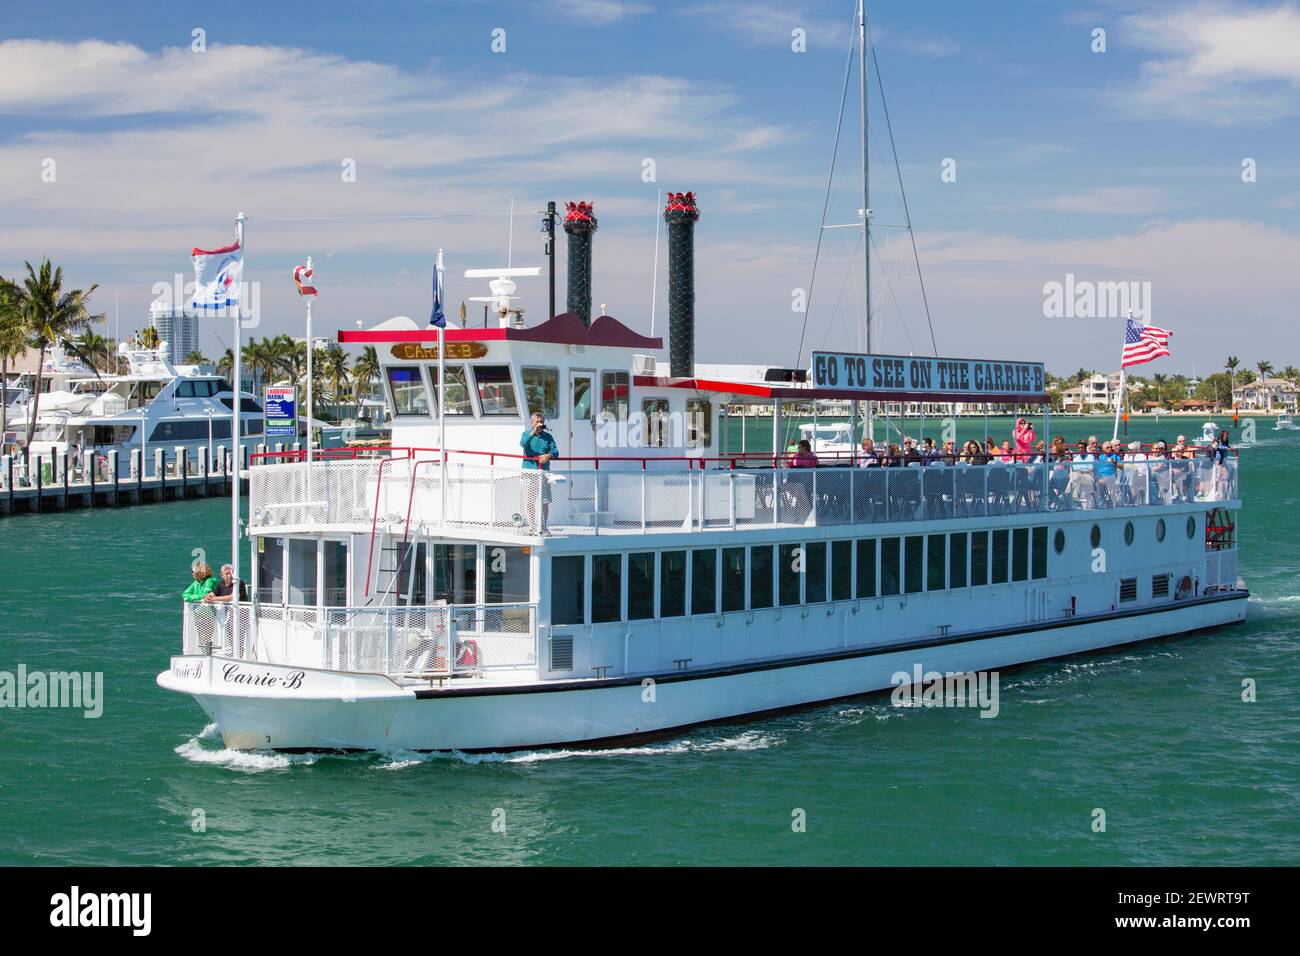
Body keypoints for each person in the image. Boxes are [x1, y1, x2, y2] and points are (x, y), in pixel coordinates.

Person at [520, 412, 560, 532]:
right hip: (529, 472)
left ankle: (543, 526)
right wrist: (533, 432)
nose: (539, 424)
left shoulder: (548, 437)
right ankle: (533, 526)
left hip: (543, 472)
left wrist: (549, 455)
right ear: (532, 423)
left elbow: (556, 452)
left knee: (544, 500)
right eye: (537, 422)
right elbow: (523, 444)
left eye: (541, 422)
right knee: (530, 500)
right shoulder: (526, 434)